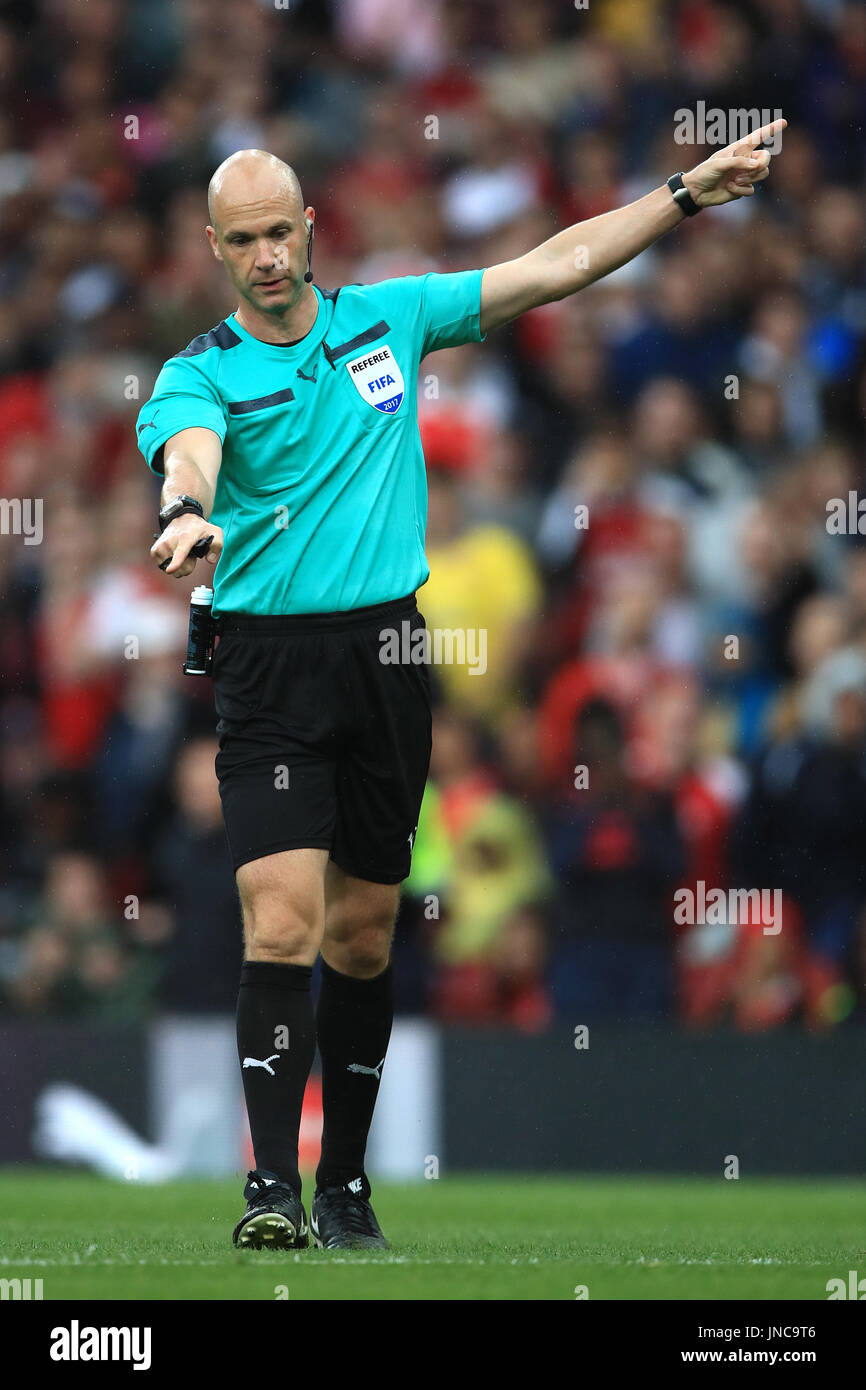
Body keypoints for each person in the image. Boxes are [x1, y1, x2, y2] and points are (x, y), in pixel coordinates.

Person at [138, 123, 785, 1251]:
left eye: (278, 232)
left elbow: (555, 265)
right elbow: (186, 450)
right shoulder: (199, 372)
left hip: (386, 654)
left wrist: (681, 193)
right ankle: (268, 1190)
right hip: (268, 665)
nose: (265, 257)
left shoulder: (389, 318)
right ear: (215, 247)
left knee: (363, 935)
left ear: (309, 228)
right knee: (279, 920)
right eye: (240, 241)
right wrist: (184, 510)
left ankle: (343, 1185)